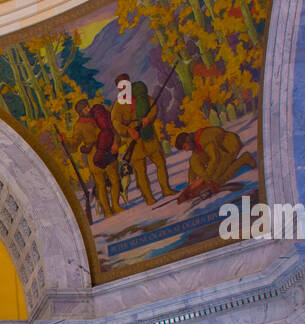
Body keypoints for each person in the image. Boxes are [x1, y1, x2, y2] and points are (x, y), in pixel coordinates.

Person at [112, 73, 174, 207]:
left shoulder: (141, 95)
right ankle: (149, 198)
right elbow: (116, 123)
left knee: (160, 163)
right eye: (121, 86)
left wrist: (148, 118)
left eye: (126, 84)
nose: (124, 88)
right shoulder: (118, 105)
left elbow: (153, 107)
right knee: (141, 171)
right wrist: (129, 130)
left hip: (148, 133)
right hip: (133, 139)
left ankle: (166, 190)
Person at [173, 126, 258, 203]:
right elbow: (192, 166)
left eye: (185, 147)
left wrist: (203, 179)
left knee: (216, 179)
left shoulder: (204, 139)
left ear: (188, 139)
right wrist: (191, 185)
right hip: (220, 151)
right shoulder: (195, 141)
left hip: (229, 146)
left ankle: (244, 159)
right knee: (194, 160)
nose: (186, 150)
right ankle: (207, 182)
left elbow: (215, 159)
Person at [73, 99, 123, 217]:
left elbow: (112, 130)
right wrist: (64, 140)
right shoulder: (79, 126)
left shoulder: (99, 116)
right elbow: (74, 143)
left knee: (115, 179)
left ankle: (116, 205)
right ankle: (107, 210)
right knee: (101, 184)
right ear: (80, 112)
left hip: (108, 150)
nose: (88, 109)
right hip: (94, 156)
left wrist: (116, 142)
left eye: (88, 106)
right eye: (85, 109)